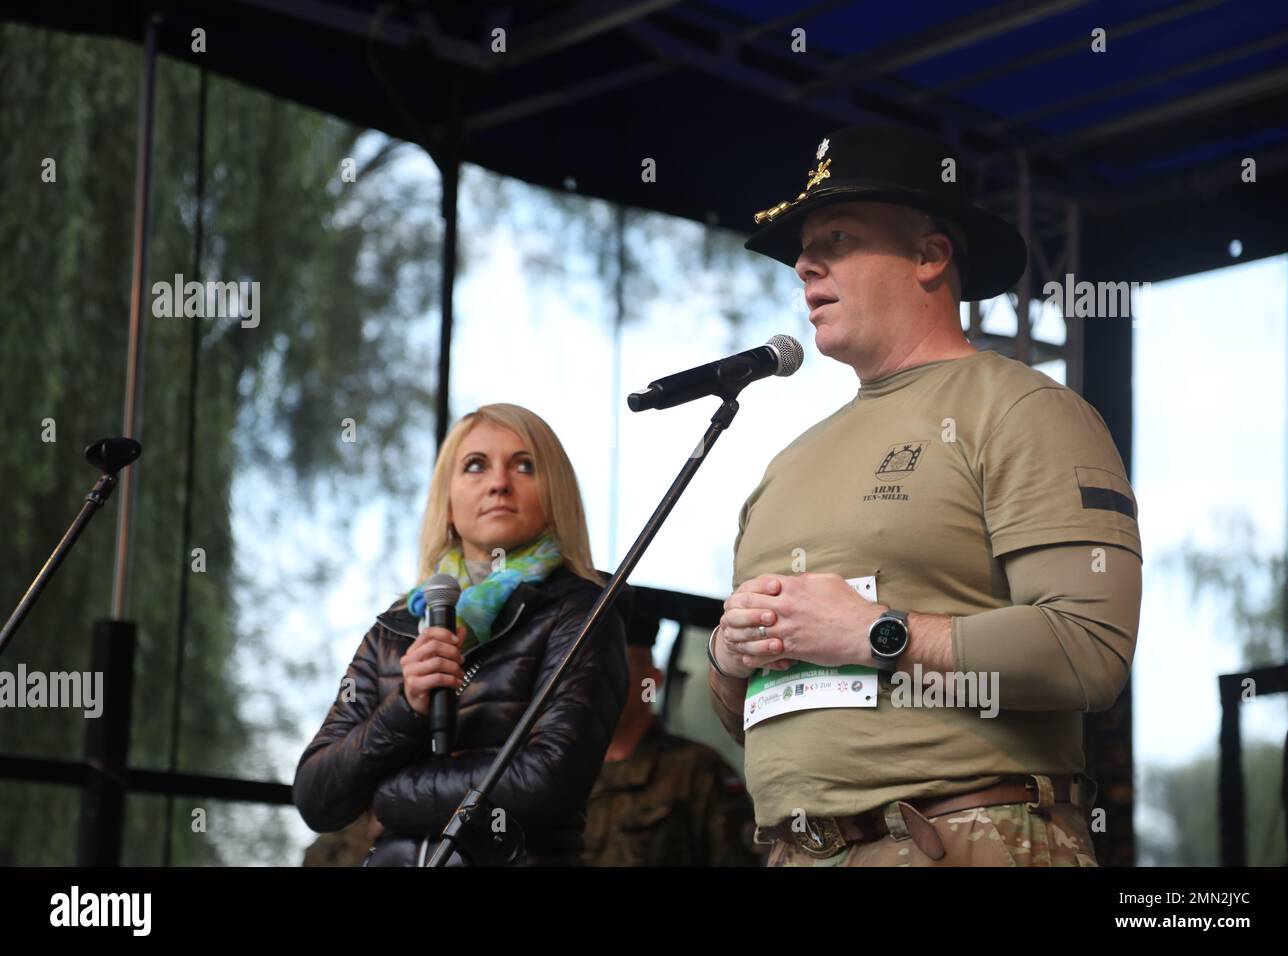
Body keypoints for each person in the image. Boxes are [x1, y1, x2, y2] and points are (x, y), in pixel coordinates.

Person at [707, 125, 1143, 867]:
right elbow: (753, 714)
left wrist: (878, 633)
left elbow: (1090, 651)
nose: (805, 265)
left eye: (837, 239)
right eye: (804, 252)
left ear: (930, 256)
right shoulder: (786, 463)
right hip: (792, 851)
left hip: (962, 839)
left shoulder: (1022, 408)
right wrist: (729, 653)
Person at [294, 403, 628, 866]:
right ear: (447, 504)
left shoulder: (583, 610)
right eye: (475, 465)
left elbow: (545, 782)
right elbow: (316, 795)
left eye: (525, 465)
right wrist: (405, 710)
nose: (498, 483)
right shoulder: (395, 629)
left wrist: (388, 798)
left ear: (556, 494)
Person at [584, 592, 761, 866]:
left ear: (651, 681)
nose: (598, 682)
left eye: (615, 667)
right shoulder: (561, 766)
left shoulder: (695, 770)